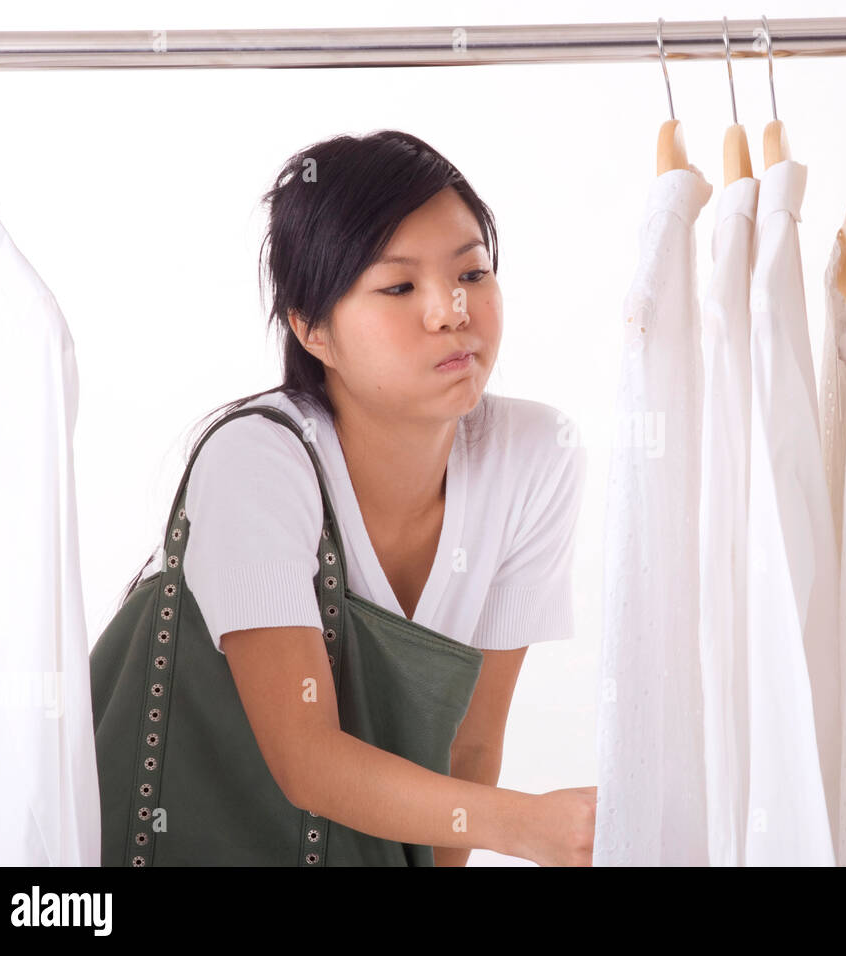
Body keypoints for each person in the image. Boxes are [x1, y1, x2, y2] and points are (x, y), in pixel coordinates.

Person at [118, 130, 595, 866]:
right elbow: (306, 758)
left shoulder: (535, 457)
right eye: (399, 287)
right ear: (312, 329)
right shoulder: (259, 460)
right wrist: (526, 826)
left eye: (472, 272)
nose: (451, 310)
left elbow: (469, 748)